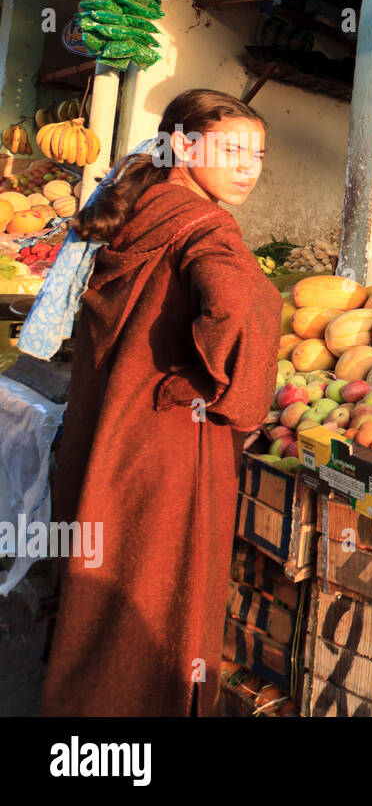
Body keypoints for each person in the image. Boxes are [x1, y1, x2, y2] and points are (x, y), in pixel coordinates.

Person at [35, 88, 283, 717]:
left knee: (97, 587)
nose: (248, 167)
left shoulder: (137, 203)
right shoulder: (205, 225)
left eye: (257, 154)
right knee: (159, 595)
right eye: (231, 150)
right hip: (166, 447)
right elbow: (246, 306)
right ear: (182, 146)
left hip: (100, 434)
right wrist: (233, 403)